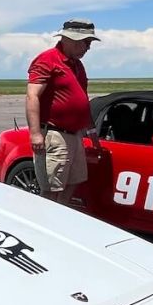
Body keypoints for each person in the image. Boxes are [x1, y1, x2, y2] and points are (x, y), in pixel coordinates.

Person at [25, 18, 100, 205]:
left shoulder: (77, 65)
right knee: (51, 188)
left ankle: (62, 218)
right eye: (86, 42)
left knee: (72, 183)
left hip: (75, 136)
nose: (88, 48)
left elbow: (82, 99)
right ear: (71, 40)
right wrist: (35, 134)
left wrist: (91, 132)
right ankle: (45, 224)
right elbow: (32, 96)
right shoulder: (47, 59)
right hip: (55, 134)